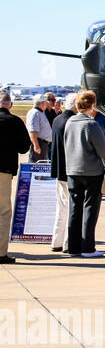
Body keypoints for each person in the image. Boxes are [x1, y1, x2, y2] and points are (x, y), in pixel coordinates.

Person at [63, 90, 105, 259]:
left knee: (74, 208)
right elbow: (103, 150)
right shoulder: (91, 124)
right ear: (92, 105)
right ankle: (88, 247)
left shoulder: (70, 122)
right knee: (90, 208)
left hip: (72, 171)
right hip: (91, 171)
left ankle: (73, 246)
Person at [0, 92, 33, 264]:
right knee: (3, 212)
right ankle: (0, 252)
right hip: (3, 171)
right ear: (10, 105)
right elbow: (24, 148)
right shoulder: (15, 122)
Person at [47, 94, 78, 253]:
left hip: (58, 169)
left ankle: (56, 241)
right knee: (71, 208)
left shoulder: (58, 119)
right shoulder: (72, 121)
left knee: (61, 208)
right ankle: (68, 243)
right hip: (70, 170)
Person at [25, 96, 52, 162]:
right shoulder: (35, 113)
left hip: (43, 144)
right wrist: (36, 145)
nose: (47, 104)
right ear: (43, 103)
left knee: (41, 164)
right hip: (39, 143)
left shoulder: (40, 112)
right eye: (46, 103)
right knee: (36, 165)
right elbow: (33, 130)